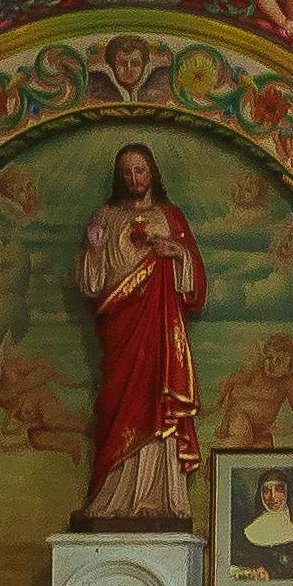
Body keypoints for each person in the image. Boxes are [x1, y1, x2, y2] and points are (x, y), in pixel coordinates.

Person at [72, 144, 208, 527]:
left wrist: (177, 253)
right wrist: (94, 250)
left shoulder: (170, 216)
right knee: (117, 404)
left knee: (156, 398)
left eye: (141, 171)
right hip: (120, 326)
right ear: (120, 176)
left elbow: (195, 281)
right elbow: (89, 283)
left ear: (152, 173)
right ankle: (113, 496)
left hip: (160, 326)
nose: (134, 178)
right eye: (128, 172)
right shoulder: (105, 216)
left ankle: (160, 496)